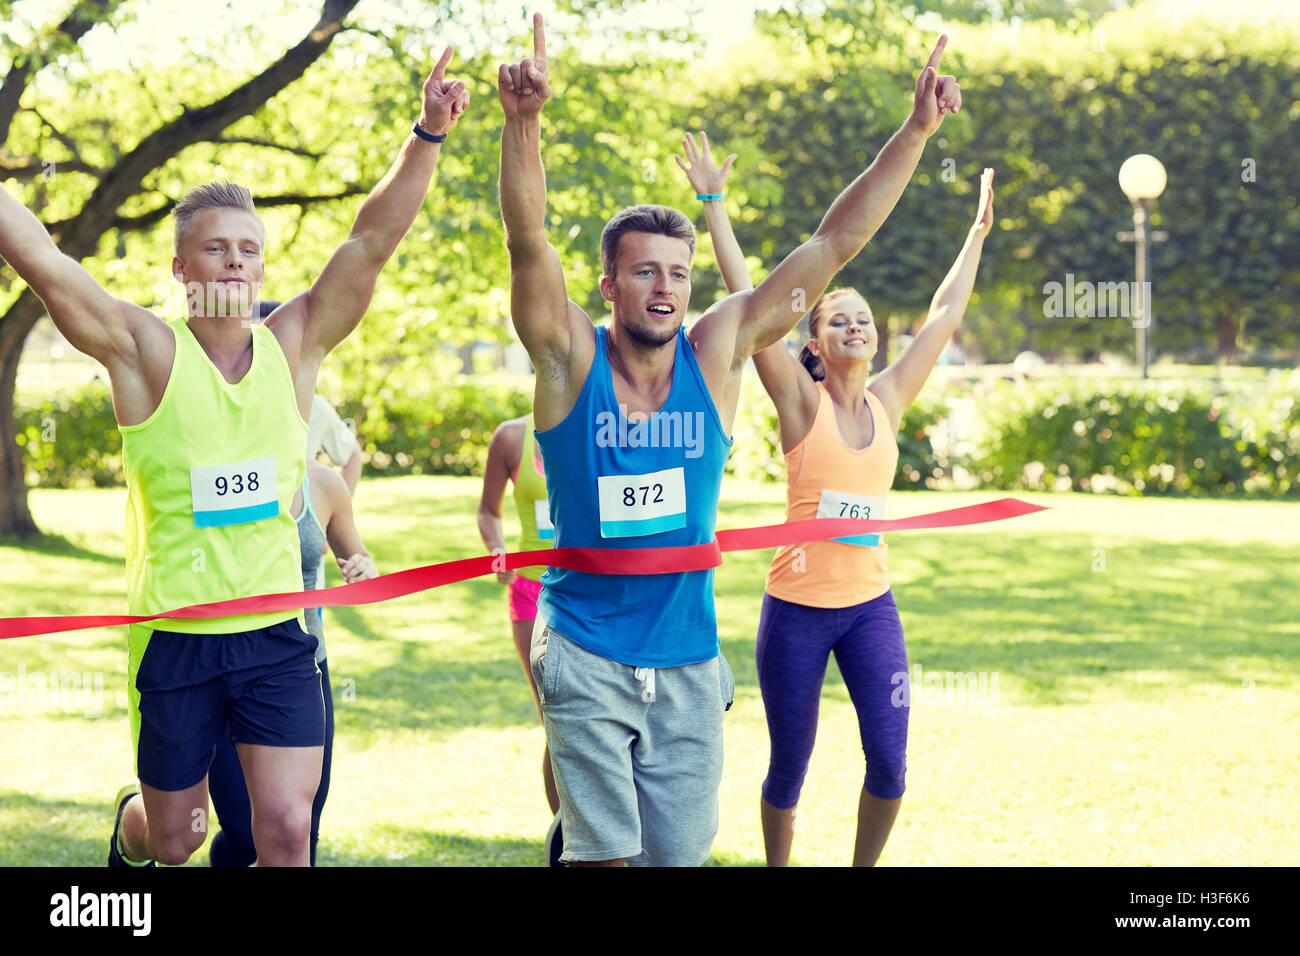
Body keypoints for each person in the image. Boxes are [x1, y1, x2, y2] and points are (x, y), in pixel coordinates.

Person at [496, 13, 961, 866]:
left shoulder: (717, 355)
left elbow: (832, 243)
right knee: (607, 854)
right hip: (585, 649)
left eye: (678, 271)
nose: (665, 287)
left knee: (676, 855)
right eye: (644, 270)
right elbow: (528, 242)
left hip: (687, 659)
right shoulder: (567, 359)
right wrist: (522, 125)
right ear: (610, 284)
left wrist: (917, 132)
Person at [0, 46, 469, 868]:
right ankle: (132, 825)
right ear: (180, 268)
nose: (237, 262)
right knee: (179, 841)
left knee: (287, 829)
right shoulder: (143, 352)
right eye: (216, 249)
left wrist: (427, 133)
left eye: (249, 250)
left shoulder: (294, 347)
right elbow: (42, 259)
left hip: (277, 638)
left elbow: (369, 242)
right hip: (177, 637)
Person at [751, 169, 995, 866]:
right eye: (838, 319)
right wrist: (713, 211)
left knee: (890, 761)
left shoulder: (889, 401)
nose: (855, 325)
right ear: (816, 344)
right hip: (796, 609)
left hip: (869, 608)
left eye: (862, 318)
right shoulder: (801, 403)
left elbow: (944, 315)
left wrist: (975, 235)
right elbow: (754, 312)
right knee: (788, 769)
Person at [208, 460, 377, 866]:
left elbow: (358, 556)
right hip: (226, 667)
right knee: (243, 829)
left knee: (301, 826)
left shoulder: (324, 483)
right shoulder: (221, 472)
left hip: (303, 670)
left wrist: (365, 569)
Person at [476, 412, 563, 861]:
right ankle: (566, 837)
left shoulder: (600, 424)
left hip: (590, 589)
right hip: (531, 593)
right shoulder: (510, 436)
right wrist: (497, 552)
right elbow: (488, 511)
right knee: (557, 722)